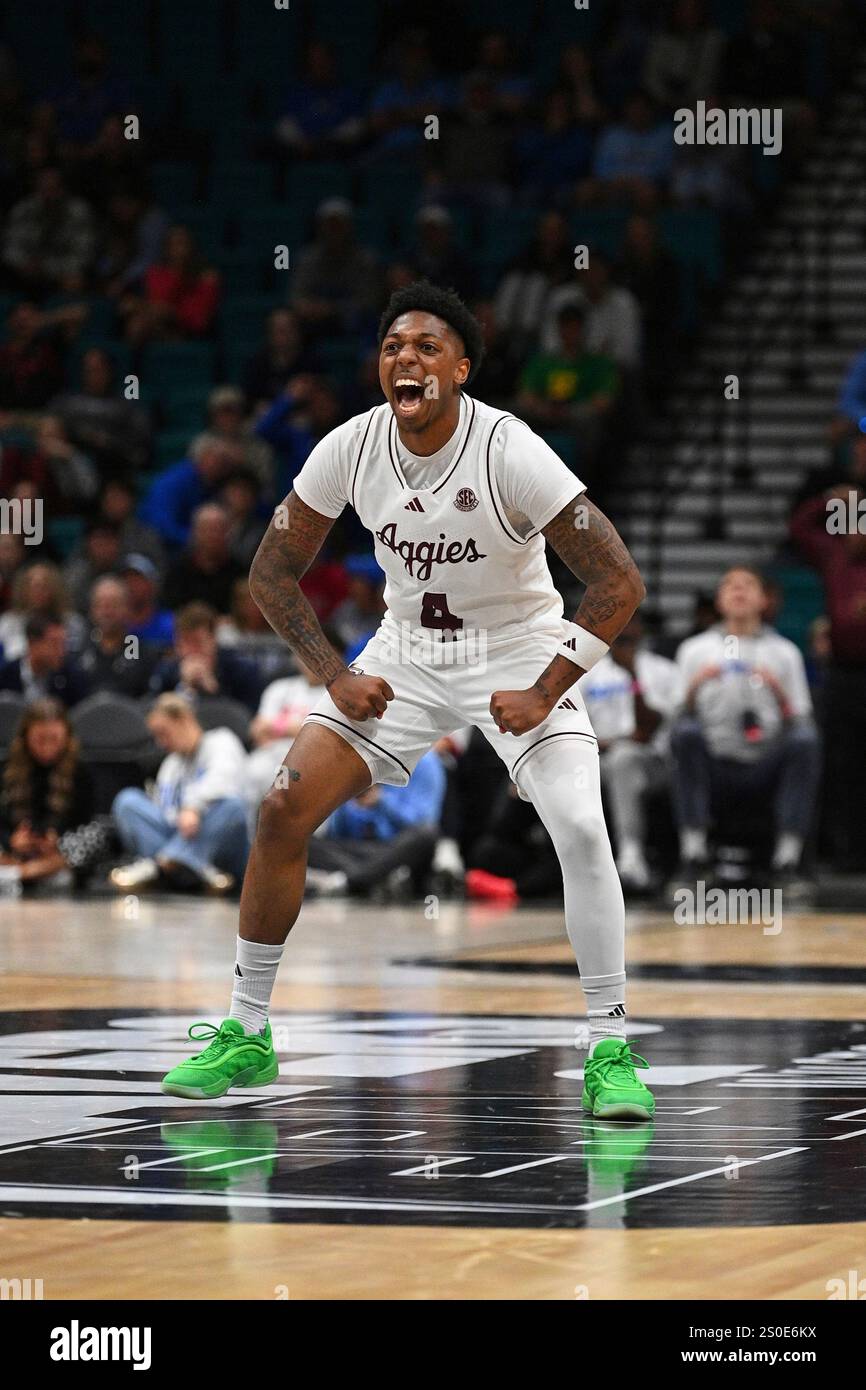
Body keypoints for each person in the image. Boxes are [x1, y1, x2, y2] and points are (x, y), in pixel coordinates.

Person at [162, 279, 654, 1123]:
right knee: (280, 808)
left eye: (428, 346)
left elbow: (618, 582)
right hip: (408, 653)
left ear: (461, 368)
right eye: (393, 346)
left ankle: (609, 1045)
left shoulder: (512, 449)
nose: (407, 358)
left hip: (518, 647)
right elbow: (270, 573)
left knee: (578, 822)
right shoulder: (349, 448)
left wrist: (545, 689)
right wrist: (333, 673)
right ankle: (247, 1031)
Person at [671, 566, 820, 887]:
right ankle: (693, 854)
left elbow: (800, 719)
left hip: (765, 763)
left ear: (764, 600)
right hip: (713, 762)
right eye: (730, 586)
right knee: (684, 734)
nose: (739, 590)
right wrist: (695, 687)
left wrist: (779, 693)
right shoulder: (694, 650)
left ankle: (787, 860)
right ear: (720, 601)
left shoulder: (785, 652)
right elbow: (676, 716)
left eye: (748, 585)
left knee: (805, 741)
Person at [790, 487, 866, 869]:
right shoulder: (834, 557)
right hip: (843, 675)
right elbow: (799, 528)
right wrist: (828, 499)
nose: (854, 534)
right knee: (840, 761)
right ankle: (842, 850)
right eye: (848, 525)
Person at [580, 615, 682, 892]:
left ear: (640, 627)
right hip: (597, 757)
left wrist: (633, 676)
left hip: (653, 764)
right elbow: (575, 729)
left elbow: (648, 730)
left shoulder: (664, 670)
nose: (623, 628)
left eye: (630, 621)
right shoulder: (588, 672)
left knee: (625, 758)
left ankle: (631, 856)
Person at [110, 693, 250, 894]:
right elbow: (165, 814)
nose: (161, 743)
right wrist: (181, 820)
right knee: (127, 801)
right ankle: (191, 867)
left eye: (163, 733)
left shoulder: (221, 741)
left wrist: (193, 807)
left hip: (221, 844)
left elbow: (224, 782)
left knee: (232, 807)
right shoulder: (171, 764)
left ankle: (161, 866)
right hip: (185, 836)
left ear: (184, 719)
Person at [306, 749, 446, 899]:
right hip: (366, 849)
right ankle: (380, 876)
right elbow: (336, 832)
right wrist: (347, 802)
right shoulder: (357, 758)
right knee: (303, 841)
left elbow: (422, 820)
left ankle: (353, 880)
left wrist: (381, 801)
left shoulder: (426, 762)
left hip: (399, 847)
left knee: (427, 834)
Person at [0, 697, 108, 889]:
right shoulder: (7, 769)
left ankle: (24, 874)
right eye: (40, 739)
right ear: (26, 737)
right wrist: (12, 840)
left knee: (95, 835)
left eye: (55, 739)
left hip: (56, 855)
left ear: (67, 737)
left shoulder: (80, 771)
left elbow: (85, 819)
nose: (47, 747)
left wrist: (54, 840)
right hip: (14, 852)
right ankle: (22, 873)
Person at [149, 601, 262, 712]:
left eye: (197, 642)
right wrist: (183, 687)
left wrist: (213, 691)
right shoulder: (167, 672)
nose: (190, 650)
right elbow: (152, 712)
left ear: (213, 639)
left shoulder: (242, 670)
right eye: (184, 643)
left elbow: (248, 717)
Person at [78, 575, 157, 698]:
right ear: (92, 610)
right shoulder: (80, 650)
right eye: (101, 605)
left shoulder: (139, 650)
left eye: (113, 605)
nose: (107, 612)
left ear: (126, 608)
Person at [162, 503, 243, 614]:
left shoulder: (240, 572)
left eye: (217, 530)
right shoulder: (177, 571)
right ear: (195, 533)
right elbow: (170, 611)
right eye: (206, 530)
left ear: (228, 534)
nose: (212, 536)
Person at [0, 613, 90, 706]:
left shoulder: (72, 677)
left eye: (63, 644)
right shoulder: (5, 677)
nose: (61, 651)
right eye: (54, 644)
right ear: (32, 643)